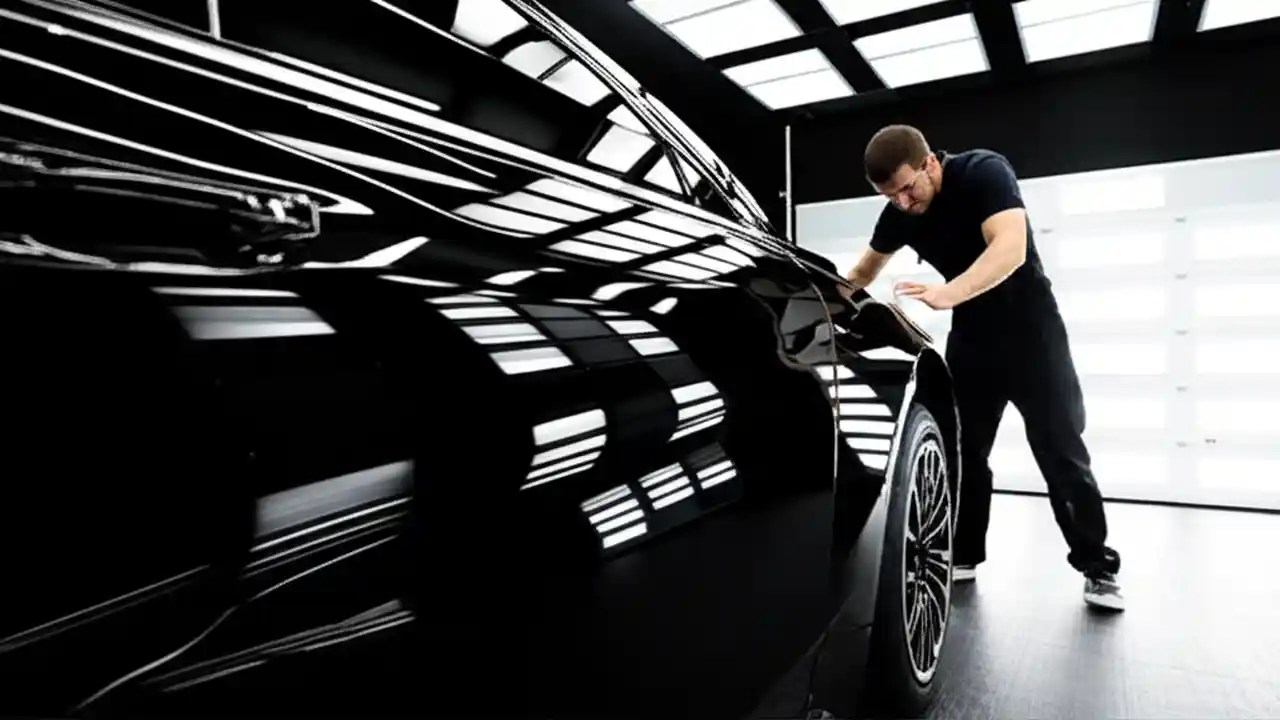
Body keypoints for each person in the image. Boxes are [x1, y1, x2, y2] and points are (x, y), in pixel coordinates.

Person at [843, 124, 1123, 610]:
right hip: (974, 339)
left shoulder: (984, 172)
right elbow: (862, 273)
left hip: (1033, 332)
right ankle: (963, 554)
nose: (904, 203)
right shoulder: (899, 212)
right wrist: (820, 304)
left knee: (1061, 451)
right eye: (892, 197)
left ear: (930, 162)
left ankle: (1097, 567)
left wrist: (949, 293)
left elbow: (1009, 247)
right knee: (964, 453)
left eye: (909, 188)